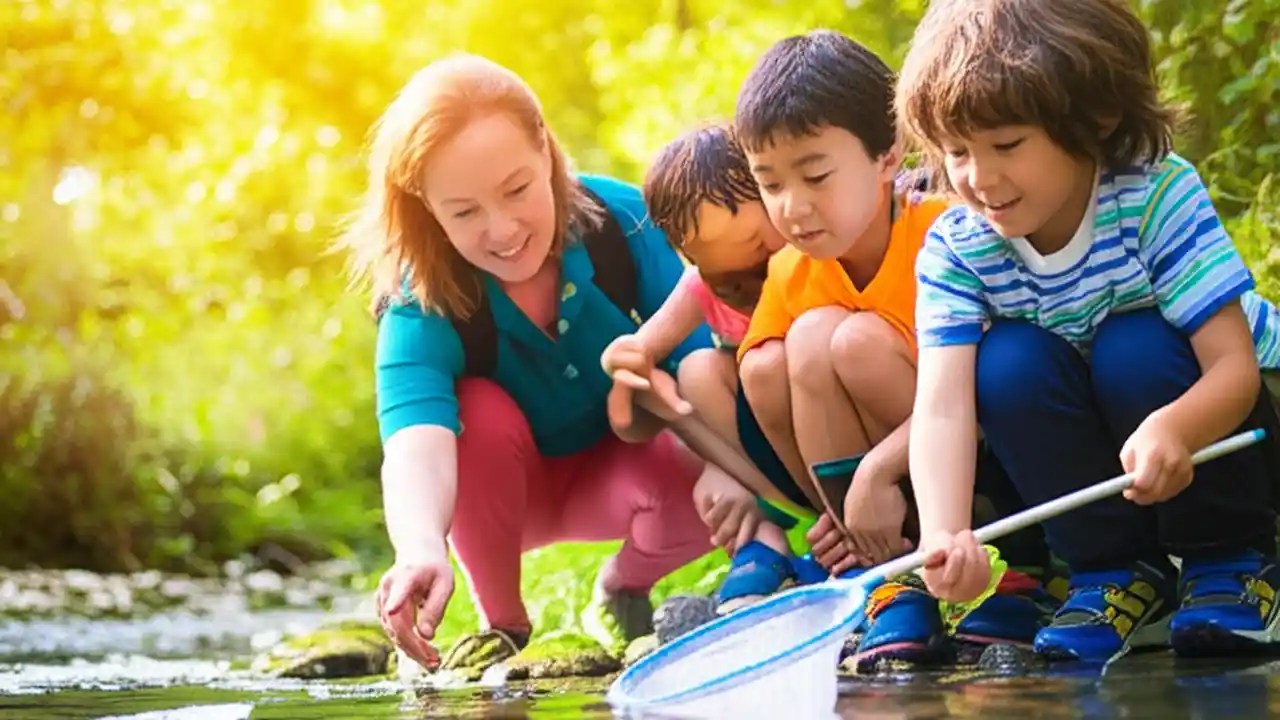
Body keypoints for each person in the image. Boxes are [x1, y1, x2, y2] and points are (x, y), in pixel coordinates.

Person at [898, 0, 1280, 665]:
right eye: (957, 151)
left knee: (1133, 345)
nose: (978, 179)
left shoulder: (1154, 195)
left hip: (1224, 423)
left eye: (1007, 145)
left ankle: (1232, 559)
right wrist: (945, 532)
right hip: (1103, 434)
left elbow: (1233, 371)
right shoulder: (958, 248)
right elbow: (943, 405)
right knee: (1006, 362)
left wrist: (1177, 429)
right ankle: (1117, 574)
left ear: (1093, 119)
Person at [342, 54, 727, 673]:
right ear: (428, 207)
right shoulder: (419, 298)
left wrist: (727, 468)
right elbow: (415, 442)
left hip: (620, 474)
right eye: (464, 212)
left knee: (700, 438)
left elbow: (704, 355)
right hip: (499, 498)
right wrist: (418, 547)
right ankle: (505, 628)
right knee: (478, 409)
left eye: (517, 189)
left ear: (546, 150)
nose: (503, 229)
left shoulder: (620, 222)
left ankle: (622, 590)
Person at [731, 29, 1056, 671]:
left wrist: (875, 469)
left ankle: (1016, 567)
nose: (793, 208)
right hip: (889, 495)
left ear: (888, 156)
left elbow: (984, 388)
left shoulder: (943, 232)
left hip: (985, 460)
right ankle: (884, 576)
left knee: (852, 342)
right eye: (769, 184)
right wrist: (837, 513)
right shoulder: (792, 272)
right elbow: (767, 396)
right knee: (787, 352)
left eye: (816, 175)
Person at [600, 123, 821, 615]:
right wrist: (626, 364)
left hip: (836, 414)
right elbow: (637, 359)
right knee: (698, 370)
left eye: (760, 245)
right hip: (775, 446)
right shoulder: (702, 288)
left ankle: (843, 527)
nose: (751, 273)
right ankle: (766, 544)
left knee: (783, 359)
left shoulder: (809, 252)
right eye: (722, 265)